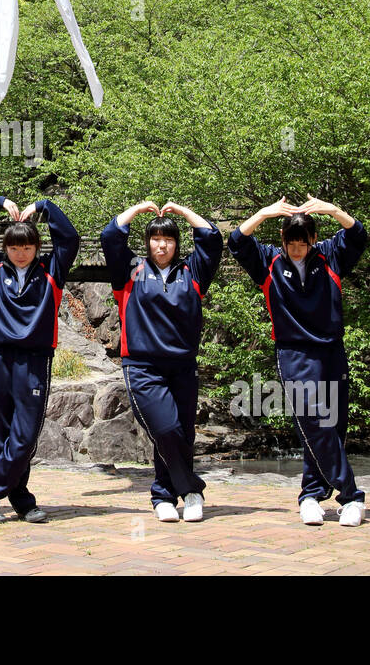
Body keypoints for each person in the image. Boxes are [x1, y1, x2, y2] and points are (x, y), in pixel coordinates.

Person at [230, 195, 368, 527]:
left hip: (331, 351)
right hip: (294, 353)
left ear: (313, 240)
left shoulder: (330, 257)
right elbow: (237, 241)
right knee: (312, 418)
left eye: (302, 244)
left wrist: (333, 210)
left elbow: (358, 236)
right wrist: (264, 212)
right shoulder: (270, 262)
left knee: (330, 427)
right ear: (282, 241)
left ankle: (311, 494)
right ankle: (351, 496)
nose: (296, 249)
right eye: (290, 243)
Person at [101, 200, 222, 522]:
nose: (162, 244)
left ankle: (164, 495)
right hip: (141, 366)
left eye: (168, 239)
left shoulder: (192, 272)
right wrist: (139, 209)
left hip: (182, 365)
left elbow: (211, 237)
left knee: (182, 433)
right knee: (165, 428)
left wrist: (182, 212)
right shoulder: (130, 270)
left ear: (176, 243)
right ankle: (192, 489)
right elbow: (110, 236)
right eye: (156, 238)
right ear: (147, 242)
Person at [0, 195, 79, 523]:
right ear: (5, 248)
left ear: (37, 247)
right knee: (3, 435)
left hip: (35, 360)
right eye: (14, 248)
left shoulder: (51, 273)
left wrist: (44, 206)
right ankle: (21, 498)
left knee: (25, 434)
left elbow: (69, 238)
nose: (20, 253)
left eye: (27, 247)